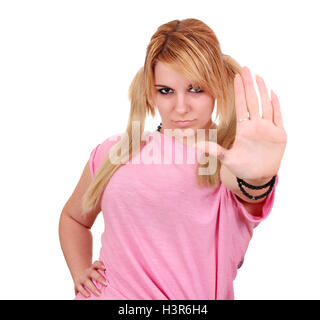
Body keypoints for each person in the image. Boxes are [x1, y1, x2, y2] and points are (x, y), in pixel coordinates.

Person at [58, 18, 287, 300]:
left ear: (216, 87)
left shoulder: (227, 162)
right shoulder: (114, 151)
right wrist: (80, 272)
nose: (181, 107)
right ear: (150, 91)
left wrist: (259, 178)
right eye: (166, 91)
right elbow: (73, 218)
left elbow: (249, 189)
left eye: (196, 89)